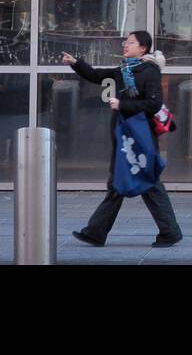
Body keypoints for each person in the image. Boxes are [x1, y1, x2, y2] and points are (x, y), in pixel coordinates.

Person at [63, 31, 183, 247]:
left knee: (148, 182)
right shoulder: (123, 70)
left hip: (141, 136)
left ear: (143, 48)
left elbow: (153, 104)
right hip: (125, 135)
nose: (125, 45)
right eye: (125, 42)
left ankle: (170, 231)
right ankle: (96, 232)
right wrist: (76, 63)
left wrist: (123, 105)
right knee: (120, 183)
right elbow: (97, 76)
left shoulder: (150, 72)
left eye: (131, 42)